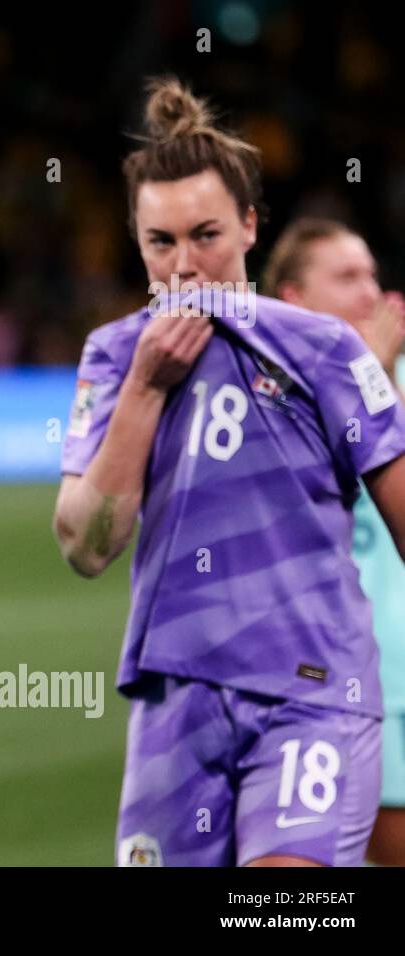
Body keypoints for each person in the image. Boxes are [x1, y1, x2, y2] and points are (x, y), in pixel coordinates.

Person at [54, 78, 405, 867]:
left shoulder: (328, 350)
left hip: (311, 690)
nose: (185, 265)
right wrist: (146, 390)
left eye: (205, 234)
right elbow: (85, 545)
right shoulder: (114, 358)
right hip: (175, 701)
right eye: (161, 243)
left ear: (250, 224)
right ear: (136, 242)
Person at [264, 217, 405, 865]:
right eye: (347, 276)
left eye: (373, 274)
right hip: (343, 679)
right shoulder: (265, 395)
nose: (371, 292)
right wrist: (368, 376)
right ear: (294, 298)